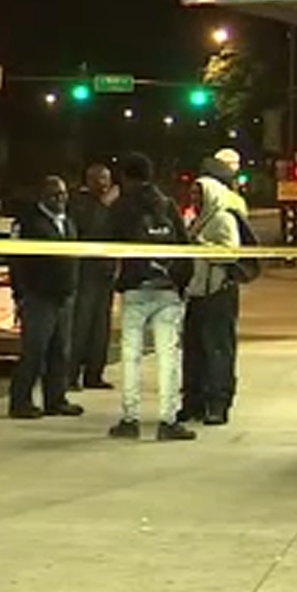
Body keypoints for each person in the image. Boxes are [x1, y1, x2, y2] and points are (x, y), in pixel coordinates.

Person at [107, 153, 196, 441]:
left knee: (130, 356)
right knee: (168, 356)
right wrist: (179, 283)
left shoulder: (122, 207)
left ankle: (130, 419)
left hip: (136, 288)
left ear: (125, 177)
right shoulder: (167, 205)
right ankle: (168, 420)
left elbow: (104, 241)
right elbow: (185, 248)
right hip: (167, 290)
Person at [181, 150, 250, 426]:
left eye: (199, 195)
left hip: (218, 292)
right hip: (196, 292)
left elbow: (231, 253)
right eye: (193, 195)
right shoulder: (195, 218)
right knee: (193, 350)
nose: (195, 199)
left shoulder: (222, 218)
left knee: (217, 350)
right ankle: (193, 402)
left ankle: (218, 403)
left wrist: (201, 246)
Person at [7, 173, 83, 419]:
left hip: (63, 296)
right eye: (54, 195)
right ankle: (21, 401)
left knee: (60, 351)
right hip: (38, 297)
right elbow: (16, 261)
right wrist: (21, 294)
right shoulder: (28, 223)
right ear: (42, 197)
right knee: (35, 351)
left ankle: (56, 399)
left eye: (63, 194)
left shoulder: (67, 222)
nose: (60, 199)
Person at [66, 161, 119, 390]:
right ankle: (70, 375)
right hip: (85, 271)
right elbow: (88, 231)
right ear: (89, 181)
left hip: (105, 272)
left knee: (101, 327)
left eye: (107, 179)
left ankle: (94, 374)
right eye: (100, 179)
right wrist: (104, 206)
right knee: (81, 325)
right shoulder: (79, 204)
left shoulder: (112, 206)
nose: (104, 184)